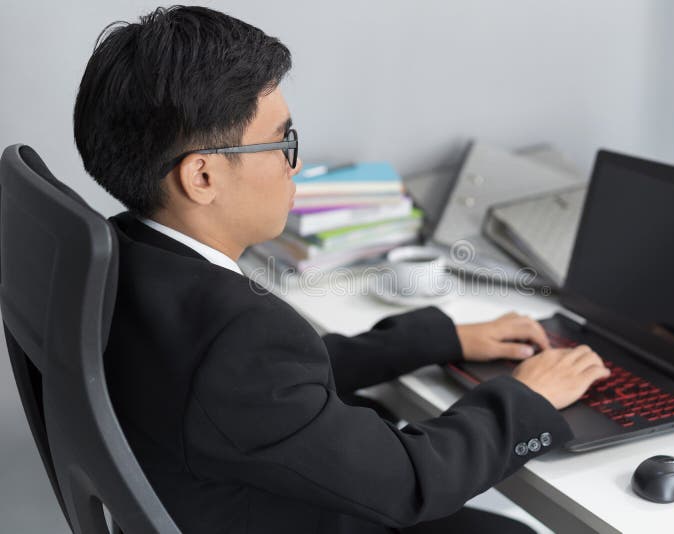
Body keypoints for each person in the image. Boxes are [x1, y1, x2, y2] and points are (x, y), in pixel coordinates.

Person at [73, 6, 610, 533]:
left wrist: (439, 337)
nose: (295, 164)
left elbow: (269, 386)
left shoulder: (123, 256)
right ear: (203, 177)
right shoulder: (236, 337)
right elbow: (413, 482)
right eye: (283, 141)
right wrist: (528, 398)